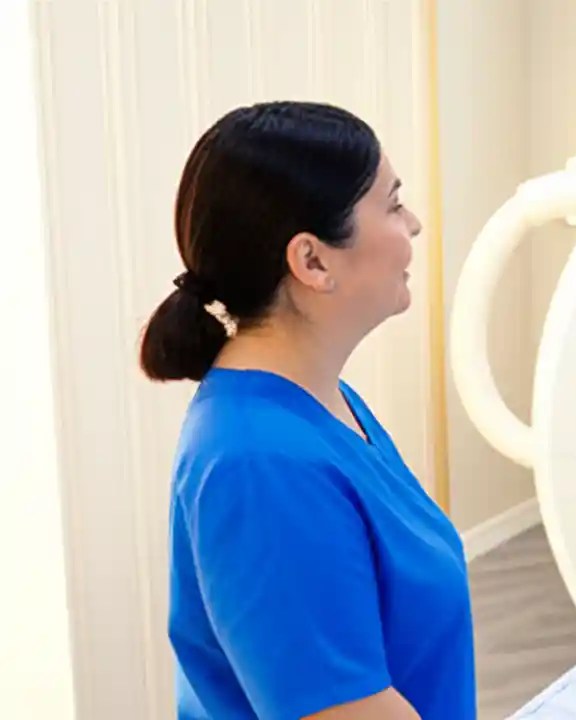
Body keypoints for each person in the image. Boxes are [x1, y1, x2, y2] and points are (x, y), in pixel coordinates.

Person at [139, 101, 475, 720]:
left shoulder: (327, 403)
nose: (416, 224)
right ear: (313, 261)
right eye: (394, 203)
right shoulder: (259, 463)